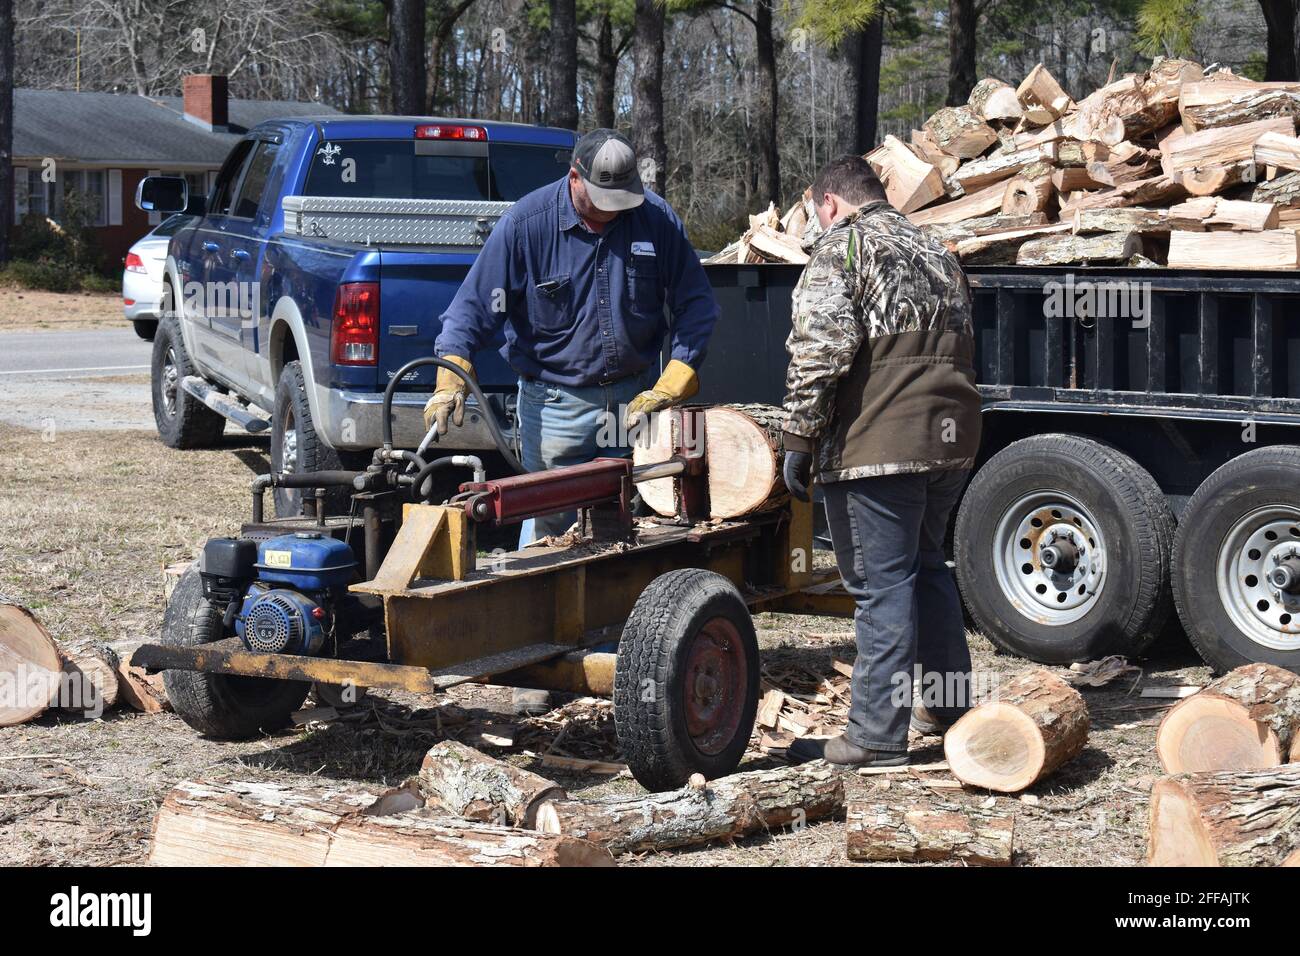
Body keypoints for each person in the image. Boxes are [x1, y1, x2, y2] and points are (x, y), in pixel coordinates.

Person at [781, 155, 982, 768]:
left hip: (880, 446)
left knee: (880, 588)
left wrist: (798, 436)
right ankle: (950, 710)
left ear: (831, 204)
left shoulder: (841, 249)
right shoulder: (937, 249)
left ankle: (874, 736)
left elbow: (821, 348)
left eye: (818, 216)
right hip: (951, 439)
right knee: (927, 569)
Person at [427, 128, 720, 546]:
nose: (612, 212)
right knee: (551, 524)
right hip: (555, 408)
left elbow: (698, 304)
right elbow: (472, 309)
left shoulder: (655, 220)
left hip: (631, 404)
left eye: (621, 202)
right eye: (603, 200)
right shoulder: (526, 226)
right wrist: (452, 371)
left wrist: (675, 376)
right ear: (574, 177)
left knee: (627, 518)